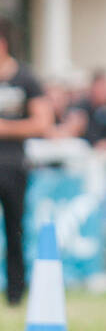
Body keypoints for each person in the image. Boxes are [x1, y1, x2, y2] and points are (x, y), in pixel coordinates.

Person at [0, 19, 52, 305]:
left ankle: (16, 294)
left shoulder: (26, 78)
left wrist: (5, 128)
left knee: (15, 230)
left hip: (13, 166)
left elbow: (42, 122)